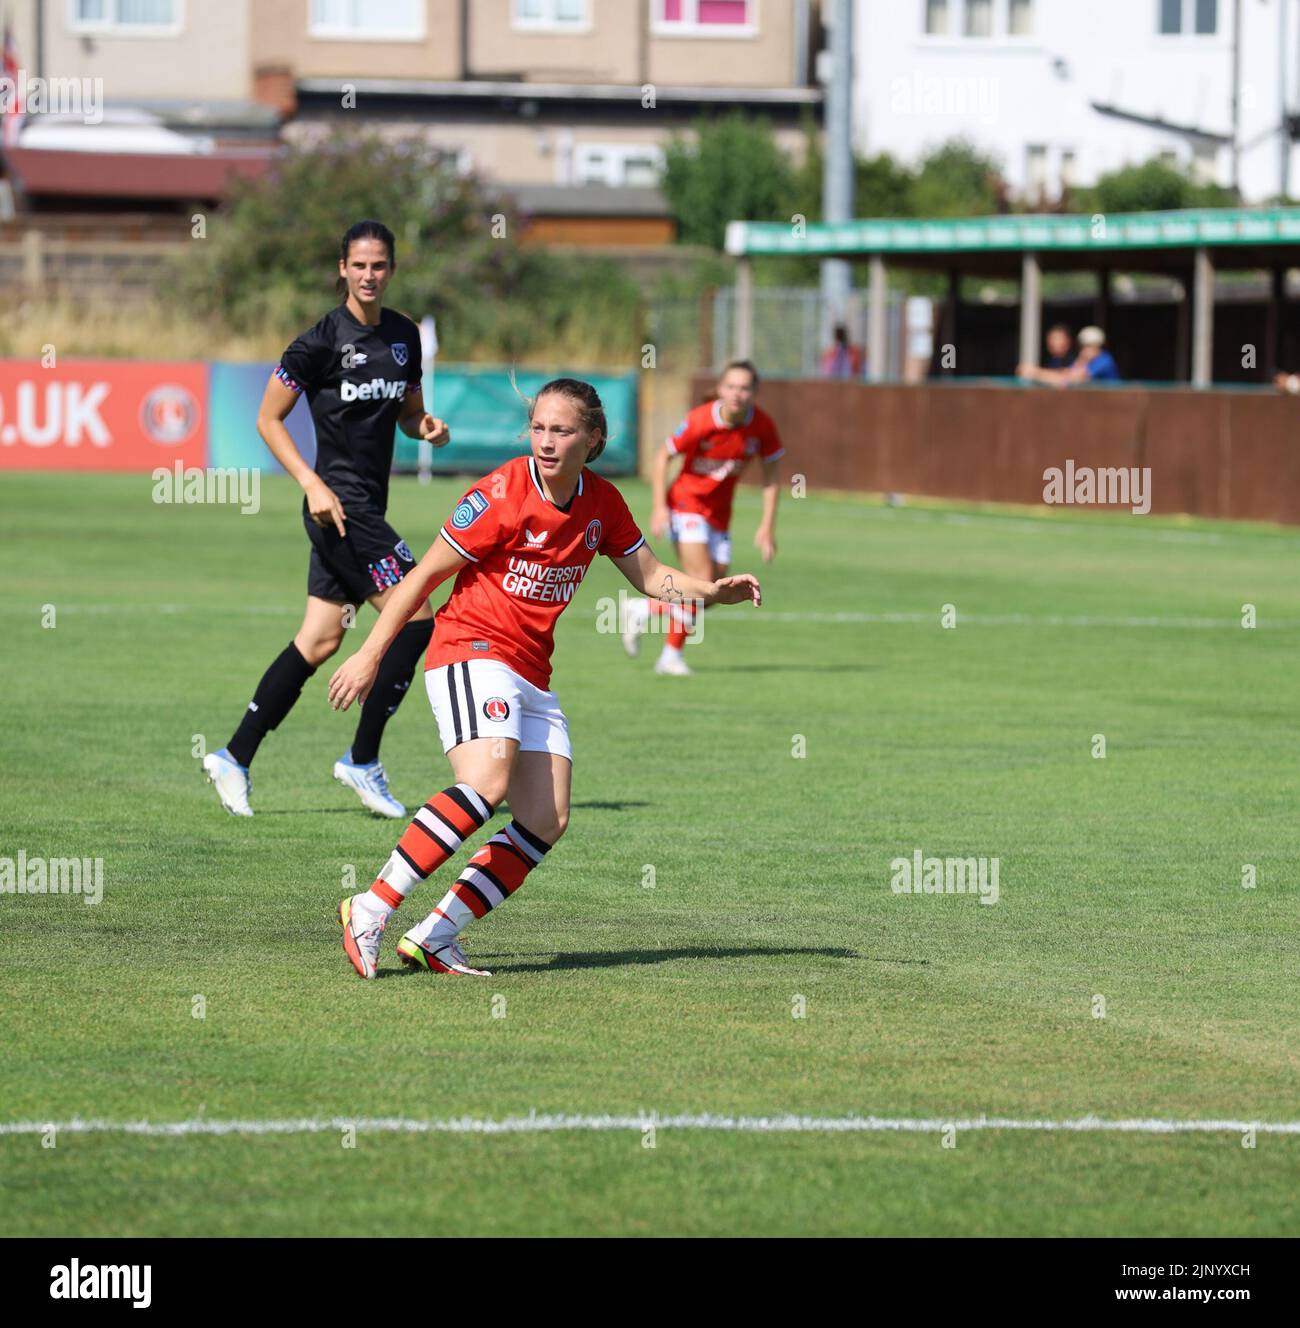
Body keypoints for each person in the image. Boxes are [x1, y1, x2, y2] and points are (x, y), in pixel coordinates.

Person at [326, 377, 762, 979]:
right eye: (538, 428)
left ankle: (435, 937)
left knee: (546, 818)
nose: (547, 442)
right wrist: (371, 653)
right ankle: (370, 908)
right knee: (485, 781)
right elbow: (423, 576)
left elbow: (650, 573)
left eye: (562, 430)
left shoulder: (602, 502)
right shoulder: (500, 494)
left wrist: (711, 590)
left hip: (530, 668)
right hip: (469, 650)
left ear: (593, 439)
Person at [202, 219, 449, 820]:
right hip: (338, 508)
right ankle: (362, 760)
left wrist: (427, 427)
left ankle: (233, 757)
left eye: (380, 265)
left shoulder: (404, 336)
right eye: (359, 265)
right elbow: (268, 419)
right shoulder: (317, 342)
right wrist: (310, 483)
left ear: (392, 269)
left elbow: (409, 414)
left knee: (318, 640)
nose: (370, 275)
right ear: (343, 268)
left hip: (369, 507)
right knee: (416, 618)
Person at [621, 359, 783, 676]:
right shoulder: (699, 421)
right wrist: (659, 506)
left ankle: (645, 612)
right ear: (721, 389)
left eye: (745, 388)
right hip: (686, 504)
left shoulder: (762, 427)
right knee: (704, 582)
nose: (737, 393)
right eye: (731, 386)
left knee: (715, 591)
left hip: (720, 515)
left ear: (754, 392)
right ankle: (669, 656)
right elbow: (663, 456)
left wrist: (767, 527)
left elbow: (772, 477)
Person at [1017, 325, 1119, 387]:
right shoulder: (1086, 361)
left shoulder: (1104, 360)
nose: (1085, 350)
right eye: (1083, 346)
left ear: (1099, 346)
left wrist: (1035, 372)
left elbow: (1069, 379)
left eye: (1090, 346)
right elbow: (1066, 374)